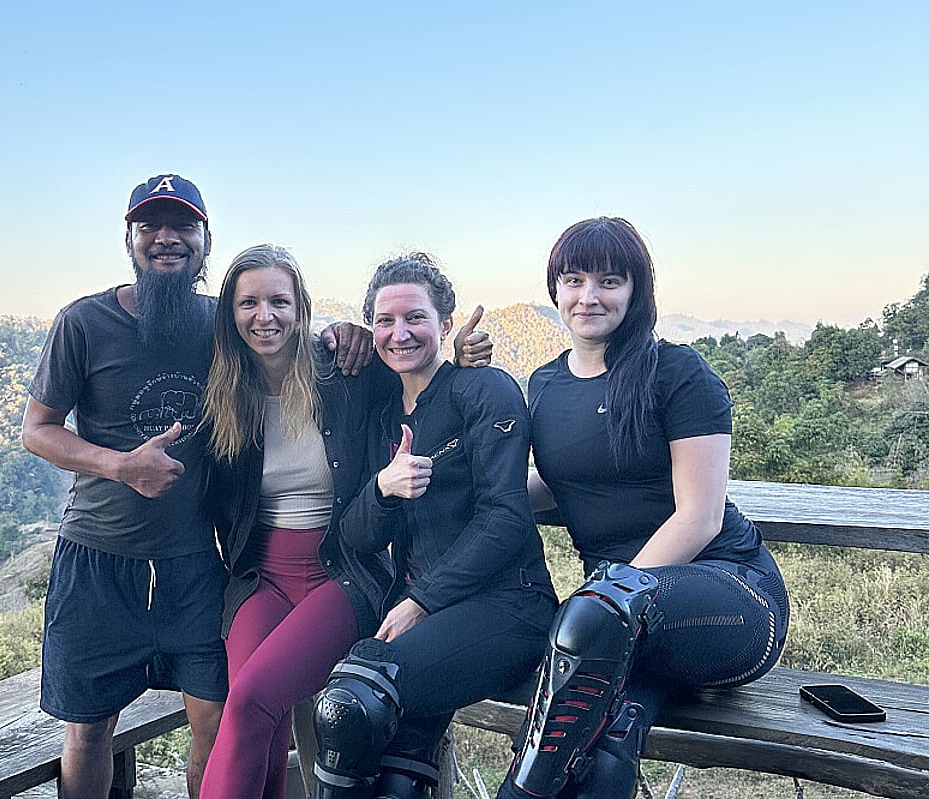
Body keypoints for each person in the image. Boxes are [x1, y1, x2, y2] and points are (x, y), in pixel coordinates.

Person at [21, 175, 373, 799]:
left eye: (182, 226)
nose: (166, 239)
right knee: (88, 730)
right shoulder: (84, 322)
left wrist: (345, 334)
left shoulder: (220, 323)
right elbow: (38, 431)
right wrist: (120, 466)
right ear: (129, 239)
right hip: (98, 557)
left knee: (216, 718)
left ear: (205, 241)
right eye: (150, 226)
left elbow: (281, 332)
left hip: (196, 562)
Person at [496, 217, 790, 799]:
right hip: (616, 630)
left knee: (592, 620)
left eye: (609, 281)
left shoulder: (676, 373)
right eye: (574, 279)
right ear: (554, 287)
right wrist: (471, 494)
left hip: (729, 596)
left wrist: (610, 597)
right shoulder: (546, 384)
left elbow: (699, 516)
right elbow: (559, 483)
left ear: (636, 291)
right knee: (602, 753)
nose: (588, 297)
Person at [199, 245, 493, 799]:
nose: (266, 316)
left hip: (340, 572)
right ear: (230, 314)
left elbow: (415, 373)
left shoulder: (346, 375)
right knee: (256, 717)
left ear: (301, 307)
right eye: (250, 303)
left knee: (250, 701)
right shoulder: (226, 392)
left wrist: (460, 355)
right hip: (259, 577)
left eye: (279, 301)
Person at [313, 253, 558, 799]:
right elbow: (358, 536)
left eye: (416, 318)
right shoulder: (383, 415)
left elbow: (507, 516)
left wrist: (421, 601)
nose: (400, 333)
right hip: (422, 613)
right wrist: (383, 488)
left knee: (355, 700)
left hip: (507, 604)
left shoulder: (483, 390)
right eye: (385, 321)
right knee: (394, 758)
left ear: (445, 326)